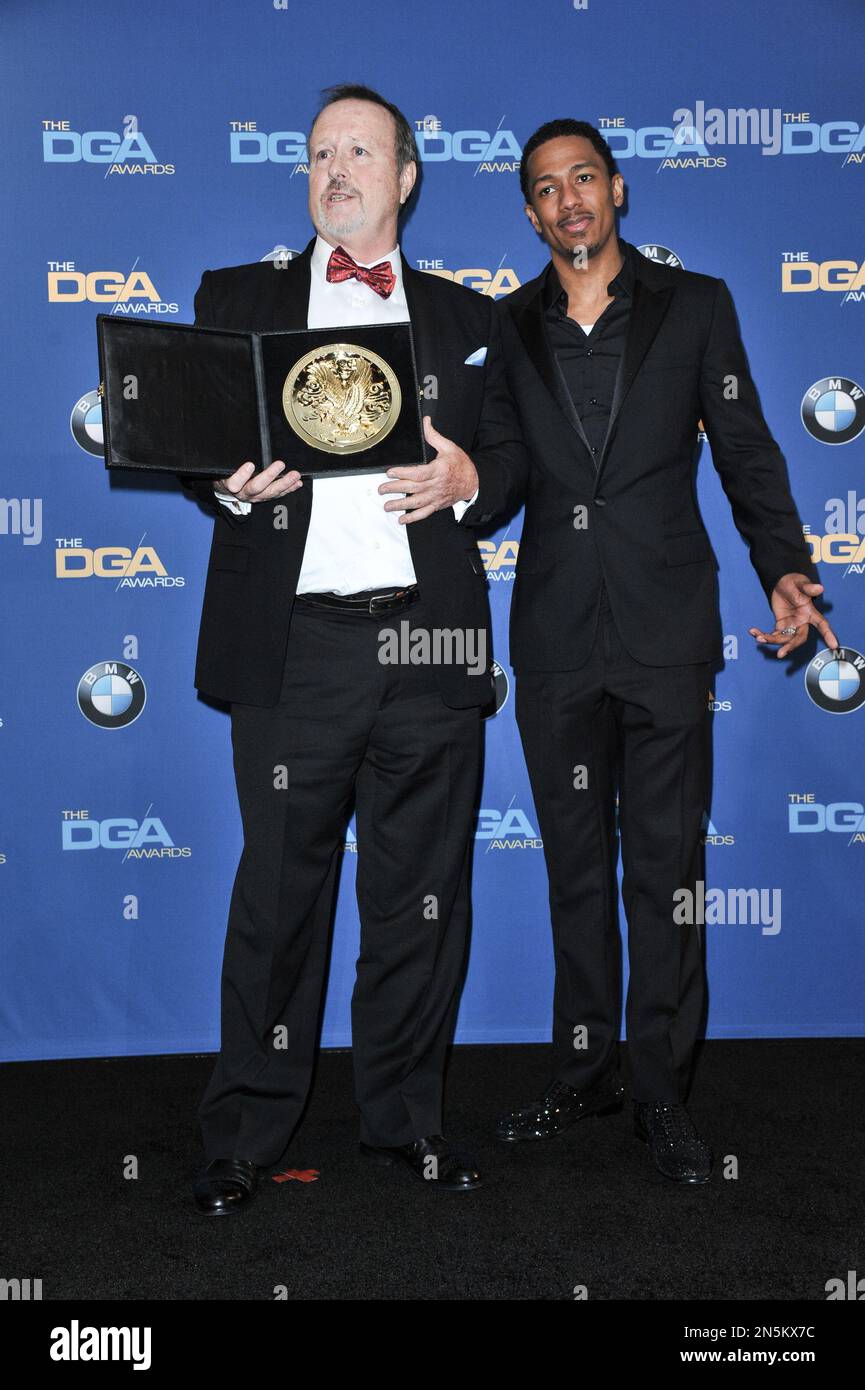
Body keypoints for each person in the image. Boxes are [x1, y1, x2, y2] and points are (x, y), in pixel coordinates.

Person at [451, 118, 837, 1184]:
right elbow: (506, 476)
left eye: (583, 179)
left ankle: (661, 1087)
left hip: (666, 632)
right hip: (558, 637)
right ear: (528, 214)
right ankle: (585, 1070)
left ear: (617, 191)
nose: (567, 200)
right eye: (544, 188)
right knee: (575, 872)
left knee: (664, 874)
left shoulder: (696, 305)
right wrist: (464, 491)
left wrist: (784, 565)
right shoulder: (509, 325)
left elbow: (745, 446)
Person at [179, 83, 526, 1214]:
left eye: (360, 152)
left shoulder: (474, 321)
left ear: (406, 176)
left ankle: (406, 1123)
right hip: (293, 649)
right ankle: (245, 1134)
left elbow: (515, 464)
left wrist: (474, 480)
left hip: (427, 645)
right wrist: (221, 483)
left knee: (421, 898)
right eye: (320, 152)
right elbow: (189, 437)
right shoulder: (233, 298)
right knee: (278, 898)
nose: (337, 170)